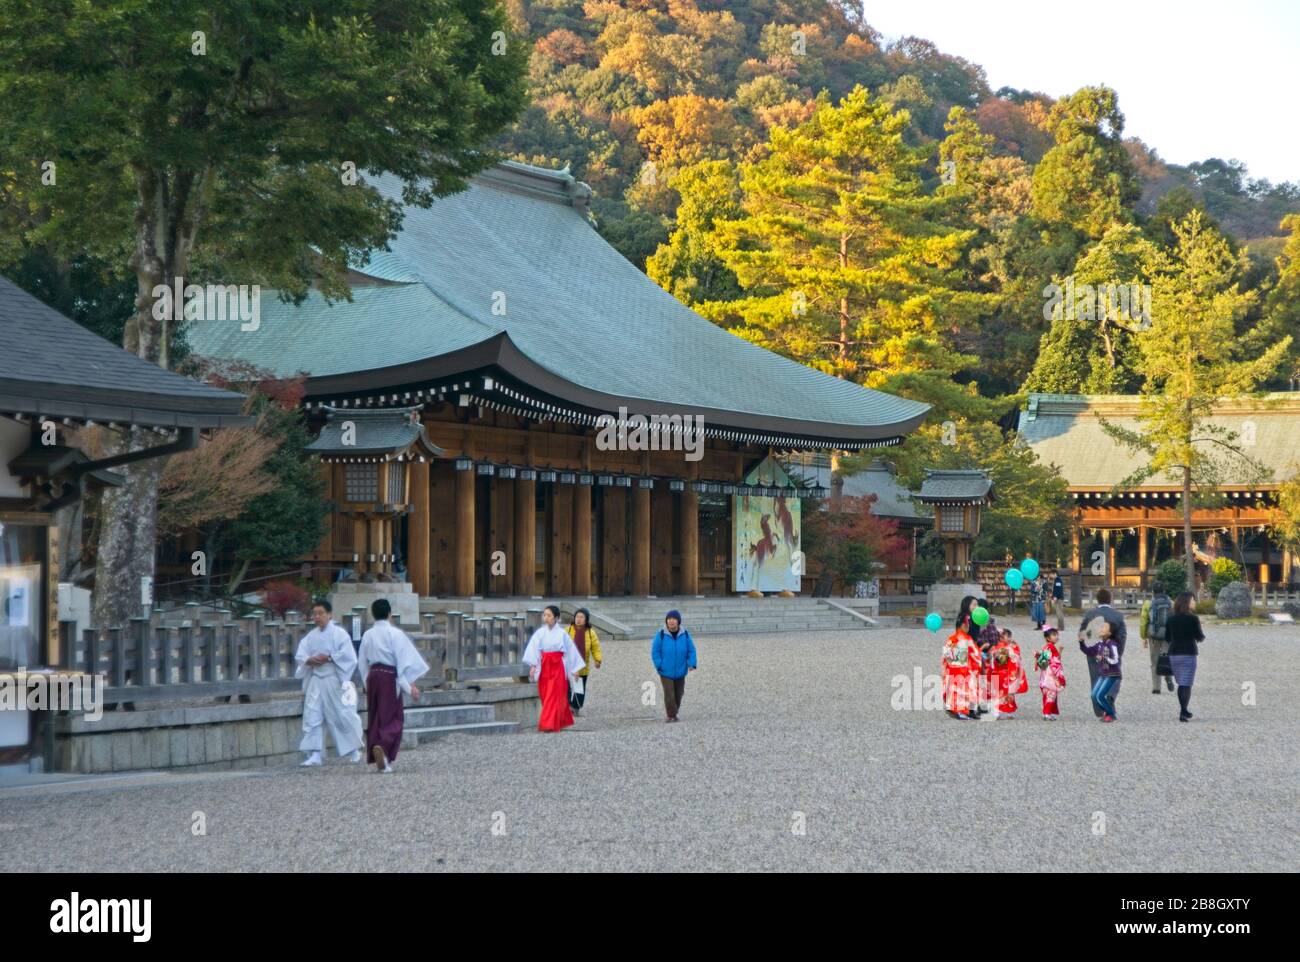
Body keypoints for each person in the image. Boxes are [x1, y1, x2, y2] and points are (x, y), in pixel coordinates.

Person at [357, 598, 429, 773]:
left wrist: (366, 681)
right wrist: (409, 687)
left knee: (376, 717)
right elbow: (402, 664)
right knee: (393, 718)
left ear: (373, 615)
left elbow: (361, 662)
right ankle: (382, 747)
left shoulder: (368, 634)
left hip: (373, 677)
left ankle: (380, 755)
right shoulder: (396, 634)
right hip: (389, 677)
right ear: (390, 614)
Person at [294, 599, 365, 767]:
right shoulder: (311, 637)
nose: (317, 617)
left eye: (321, 613)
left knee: (341, 714)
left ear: (330, 614)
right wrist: (309, 660)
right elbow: (300, 656)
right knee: (313, 716)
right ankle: (315, 754)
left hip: (333, 679)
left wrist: (330, 657)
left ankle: (354, 750)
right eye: (315, 614)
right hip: (317, 680)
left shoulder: (339, 633)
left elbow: (349, 656)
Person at [523, 605, 586, 732]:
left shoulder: (562, 634)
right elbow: (534, 649)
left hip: (557, 667)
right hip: (544, 665)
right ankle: (557, 720)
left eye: (549, 615)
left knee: (554, 694)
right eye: (545, 615)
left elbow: (571, 652)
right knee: (546, 695)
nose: (546, 618)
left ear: (556, 618)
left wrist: (575, 669)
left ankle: (548, 724)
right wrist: (533, 666)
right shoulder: (540, 633)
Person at [1079, 588, 1126, 719]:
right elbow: (1122, 636)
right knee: (1114, 676)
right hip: (1112, 651)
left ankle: (1099, 710)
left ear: (1097, 599)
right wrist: (1118, 652)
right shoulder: (1118, 615)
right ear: (1110, 599)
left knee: (1096, 678)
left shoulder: (1090, 614)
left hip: (1095, 652)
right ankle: (1110, 696)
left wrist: (1087, 648)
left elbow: (1082, 633)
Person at [1165, 592, 1205, 722]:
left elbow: (1167, 637)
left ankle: (1184, 710)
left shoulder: (1171, 618)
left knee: (1181, 683)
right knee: (1186, 684)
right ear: (1187, 602)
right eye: (1193, 600)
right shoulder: (1193, 619)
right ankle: (1183, 711)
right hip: (1188, 653)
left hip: (1174, 653)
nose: (1195, 602)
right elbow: (1199, 636)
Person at [651, 610, 697, 723]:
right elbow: (655, 651)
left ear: (678, 621)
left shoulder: (685, 634)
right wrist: (659, 665)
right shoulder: (661, 634)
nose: (671, 621)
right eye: (669, 619)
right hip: (665, 670)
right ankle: (671, 714)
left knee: (679, 693)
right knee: (669, 693)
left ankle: (674, 712)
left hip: (681, 670)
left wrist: (692, 663)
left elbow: (691, 650)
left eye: (674, 619)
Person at [1079, 619, 1122, 722]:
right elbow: (1088, 651)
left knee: (1100, 695)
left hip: (1112, 674)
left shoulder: (1112, 644)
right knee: (1094, 696)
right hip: (1103, 674)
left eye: (1104, 627)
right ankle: (1108, 712)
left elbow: (1116, 659)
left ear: (1109, 633)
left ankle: (1110, 714)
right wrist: (1082, 643)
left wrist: (1104, 658)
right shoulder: (1100, 644)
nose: (1101, 628)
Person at [1139, 581, 1176, 694]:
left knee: (1154, 661)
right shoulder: (1171, 603)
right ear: (1164, 591)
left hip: (1153, 636)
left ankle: (1156, 688)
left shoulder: (1148, 604)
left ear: (1153, 592)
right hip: (1167, 636)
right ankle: (1168, 675)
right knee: (1166, 657)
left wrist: (1143, 636)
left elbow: (1143, 621)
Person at [941, 612, 979, 720]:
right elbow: (973, 655)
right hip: (963, 670)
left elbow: (947, 658)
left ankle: (965, 710)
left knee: (957, 687)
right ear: (963, 625)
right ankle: (961, 711)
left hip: (956, 669)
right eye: (967, 625)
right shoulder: (963, 638)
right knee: (963, 688)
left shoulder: (952, 638)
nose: (968, 627)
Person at [566, 607, 603, 716]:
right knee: (566, 687)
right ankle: (567, 706)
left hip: (582, 666)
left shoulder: (591, 633)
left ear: (586, 619)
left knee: (579, 688)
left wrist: (598, 660)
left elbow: (596, 647)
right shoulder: (567, 630)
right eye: (577, 616)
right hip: (568, 664)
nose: (579, 619)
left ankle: (576, 707)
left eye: (582, 617)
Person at [973, 598, 998, 717]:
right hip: (979, 653)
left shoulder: (986, 623)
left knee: (983, 680)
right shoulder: (974, 623)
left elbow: (993, 640)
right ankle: (981, 704)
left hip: (984, 654)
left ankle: (983, 704)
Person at [1035, 626, 1066, 719]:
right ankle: (1047, 713)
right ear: (1047, 638)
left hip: (1047, 672)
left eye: (1056, 634)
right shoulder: (1050, 647)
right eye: (1054, 635)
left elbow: (1049, 659)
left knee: (1048, 693)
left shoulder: (1048, 647)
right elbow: (1052, 660)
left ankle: (1048, 712)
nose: (1056, 636)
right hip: (1050, 673)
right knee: (1051, 692)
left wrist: (1059, 651)